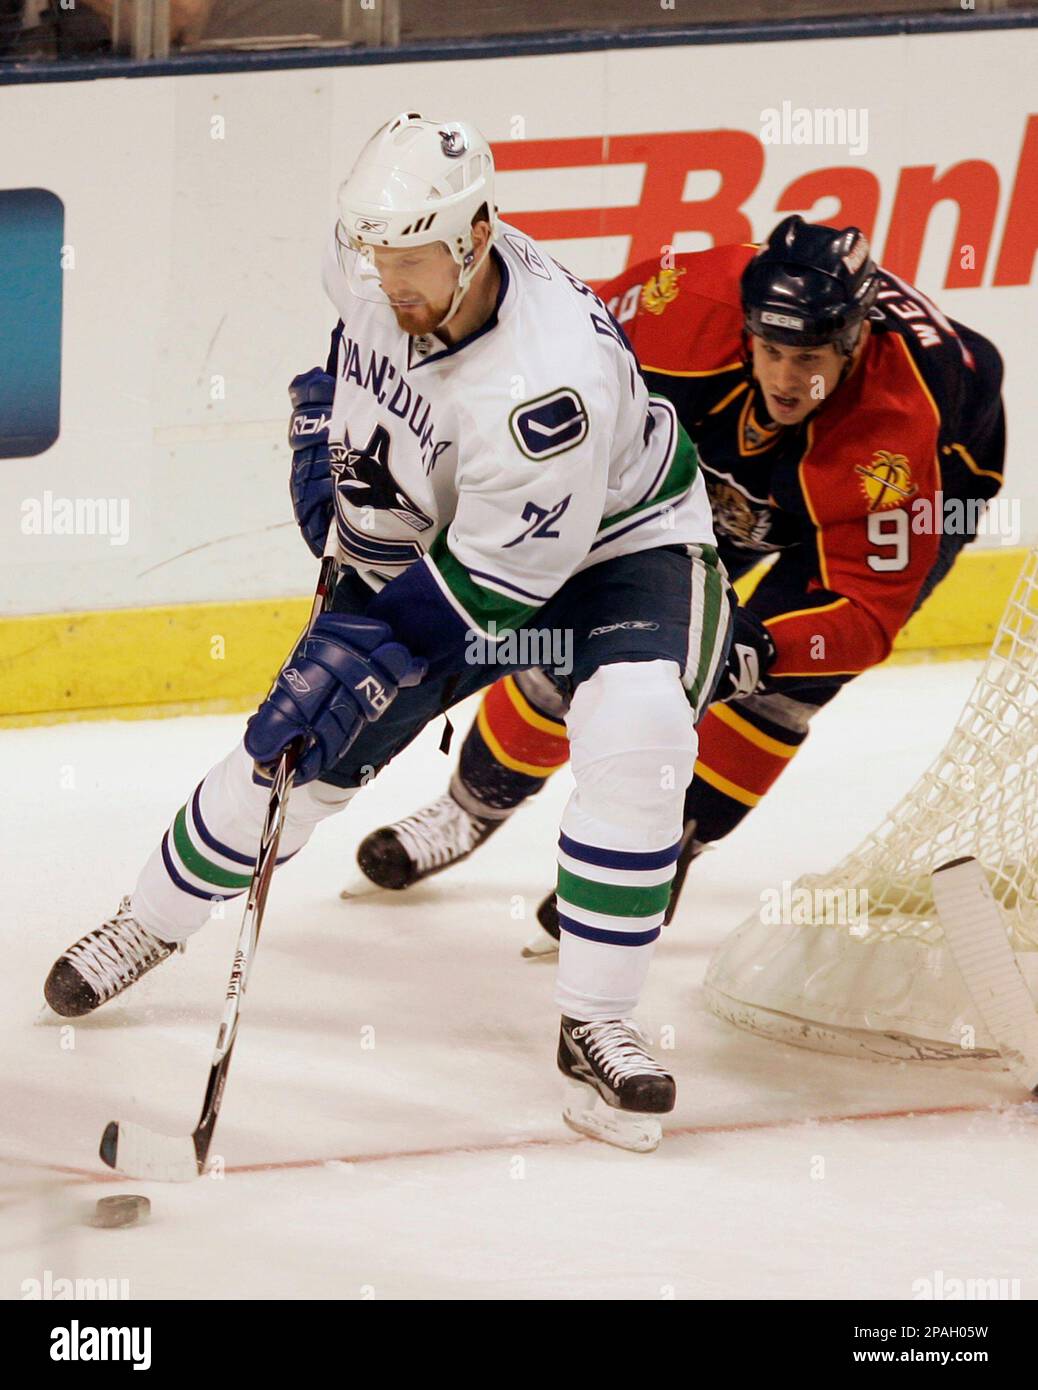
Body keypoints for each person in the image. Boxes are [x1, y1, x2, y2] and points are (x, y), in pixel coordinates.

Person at [43, 112, 732, 1153]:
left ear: (476, 239)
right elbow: (351, 346)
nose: (386, 280)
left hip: (615, 550)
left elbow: (488, 595)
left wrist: (357, 656)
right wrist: (326, 417)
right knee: (293, 751)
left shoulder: (545, 392)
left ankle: (599, 1018)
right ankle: (150, 918)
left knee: (637, 730)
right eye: (374, 254)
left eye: (411, 261)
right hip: (461, 539)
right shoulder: (373, 261)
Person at [352, 215, 1007, 954]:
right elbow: (549, 353)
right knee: (579, 630)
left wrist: (748, 644)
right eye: (772, 351)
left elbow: (862, 617)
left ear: (853, 344)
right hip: (720, 455)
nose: (789, 379)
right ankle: (467, 810)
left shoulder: (901, 430)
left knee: (775, 685)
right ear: (746, 329)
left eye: (812, 357)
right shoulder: (682, 304)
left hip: (915, 476)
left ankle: (670, 845)